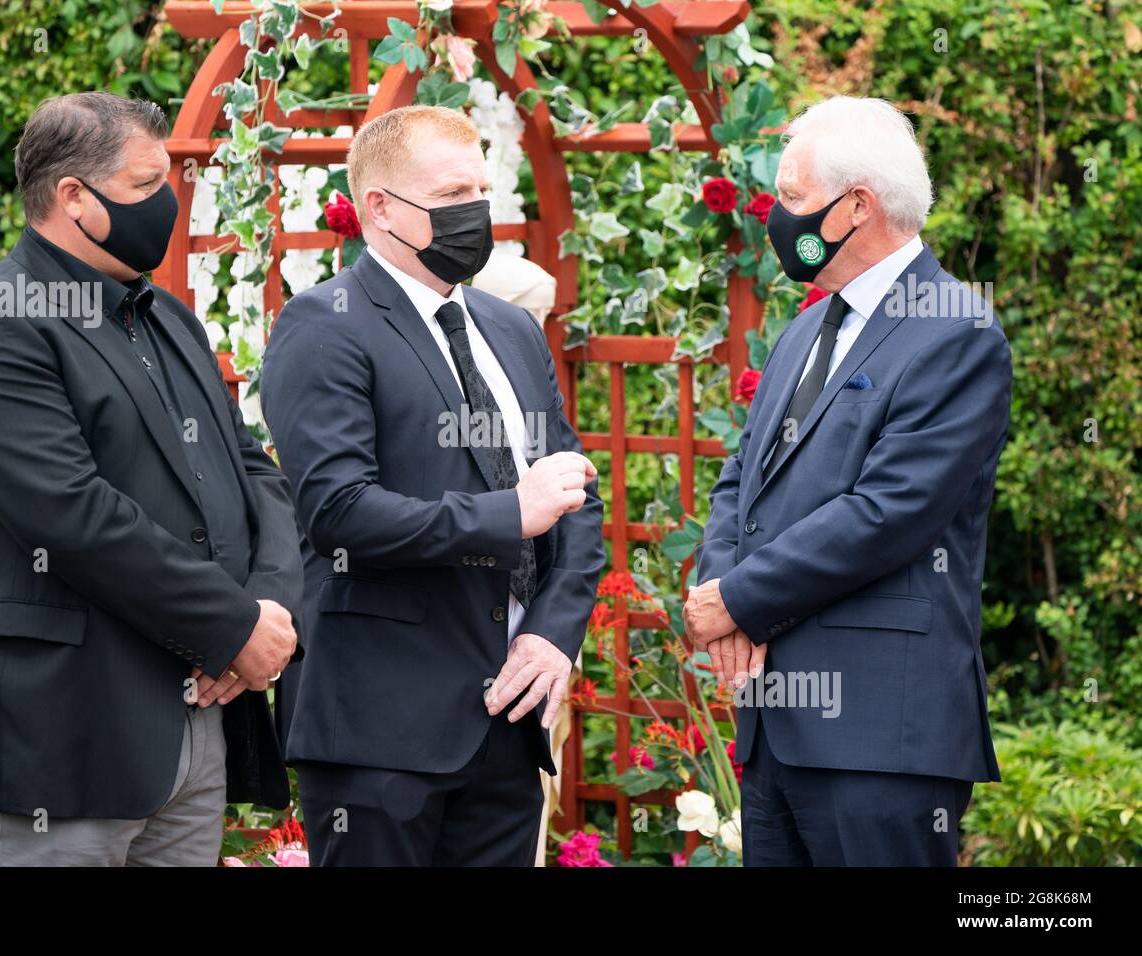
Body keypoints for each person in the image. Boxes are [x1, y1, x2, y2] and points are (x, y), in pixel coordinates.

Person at [0, 91, 303, 866]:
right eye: (144, 184)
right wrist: (229, 628)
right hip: (62, 735)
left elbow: (253, 470)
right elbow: (71, 517)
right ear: (72, 198)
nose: (164, 202)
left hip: (197, 724)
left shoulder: (167, 317)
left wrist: (268, 607)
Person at [261, 105, 606, 866]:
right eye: (454, 196)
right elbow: (336, 509)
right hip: (380, 733)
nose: (476, 213)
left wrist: (553, 634)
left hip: (505, 725)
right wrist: (509, 514)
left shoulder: (508, 328)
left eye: (483, 189)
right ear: (380, 208)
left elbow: (574, 492)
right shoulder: (325, 325)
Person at [684, 96, 1012, 866]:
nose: (777, 214)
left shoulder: (957, 332)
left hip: (879, 739)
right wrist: (720, 588)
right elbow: (743, 478)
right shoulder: (807, 326)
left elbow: (889, 512)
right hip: (775, 730)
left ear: (855, 206)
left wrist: (738, 600)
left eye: (793, 198)